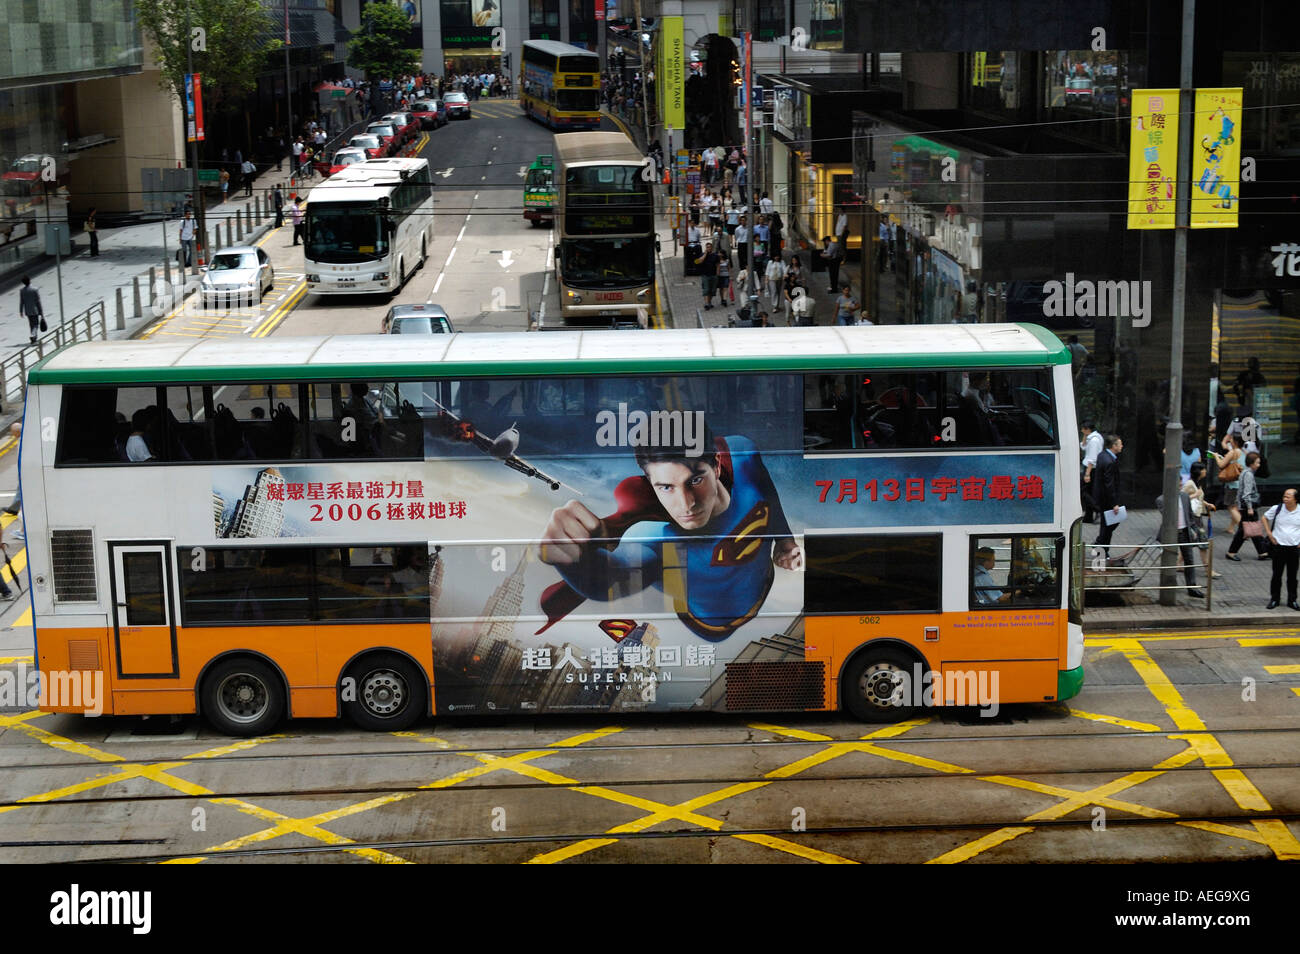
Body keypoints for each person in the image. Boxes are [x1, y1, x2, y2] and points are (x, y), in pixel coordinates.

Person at [538, 424, 801, 640]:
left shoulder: (742, 455)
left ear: (717, 466)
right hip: (711, 625)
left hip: (764, 581)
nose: (686, 505)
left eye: (695, 481)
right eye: (666, 487)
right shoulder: (653, 540)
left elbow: (766, 492)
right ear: (651, 485)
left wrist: (785, 540)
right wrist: (572, 559)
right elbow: (608, 580)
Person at [1225, 451, 1269, 560]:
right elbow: (1246, 493)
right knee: (1246, 529)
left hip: (1244, 506)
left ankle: (1262, 552)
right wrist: (1249, 507)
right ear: (1251, 463)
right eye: (1257, 463)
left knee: (1249, 528)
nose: (1259, 465)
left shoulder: (1245, 472)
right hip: (1247, 507)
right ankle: (1232, 552)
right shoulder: (1248, 474)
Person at [1263, 489, 1300, 609]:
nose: (1285, 498)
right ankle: (1275, 599)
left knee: (1292, 576)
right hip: (1278, 547)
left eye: (1288, 497)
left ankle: (1292, 600)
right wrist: (1269, 533)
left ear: (1295, 499)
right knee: (1276, 575)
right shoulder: (1277, 508)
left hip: (1294, 547)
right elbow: (1264, 518)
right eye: (1284, 496)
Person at [1093, 434, 1123, 558]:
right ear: (1114, 446)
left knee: (1108, 525)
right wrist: (1114, 503)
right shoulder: (1109, 461)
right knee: (1108, 525)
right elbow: (1109, 484)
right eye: (1120, 444)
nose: (1122, 446)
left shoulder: (1102, 456)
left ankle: (1100, 544)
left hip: (1101, 497)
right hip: (1107, 500)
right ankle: (1101, 546)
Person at [1080, 420, 1103, 522]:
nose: (1081, 431)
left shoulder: (1094, 440)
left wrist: (1087, 474)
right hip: (1090, 468)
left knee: (1084, 492)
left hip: (1091, 469)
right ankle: (1088, 516)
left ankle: (1097, 508)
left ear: (1088, 429)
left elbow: (1092, 459)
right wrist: (1085, 436)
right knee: (1088, 491)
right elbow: (1083, 446)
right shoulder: (1091, 438)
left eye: (1083, 429)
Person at [18, 276, 46, 344]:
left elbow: (22, 302)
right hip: (35, 310)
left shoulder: (22, 291)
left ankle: (34, 338)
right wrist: (41, 311)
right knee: (36, 324)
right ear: (29, 280)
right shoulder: (34, 289)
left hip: (27, 311)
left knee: (31, 324)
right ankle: (33, 335)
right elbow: (38, 301)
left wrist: (21, 311)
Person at [694, 241, 719, 310]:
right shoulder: (702, 254)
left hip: (713, 275)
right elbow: (700, 261)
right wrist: (705, 254)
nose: (708, 248)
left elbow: (718, 265)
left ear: (712, 248)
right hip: (705, 275)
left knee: (712, 290)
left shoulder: (715, 256)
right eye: (707, 247)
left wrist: (717, 275)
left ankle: (709, 302)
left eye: (709, 247)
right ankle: (706, 303)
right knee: (706, 289)